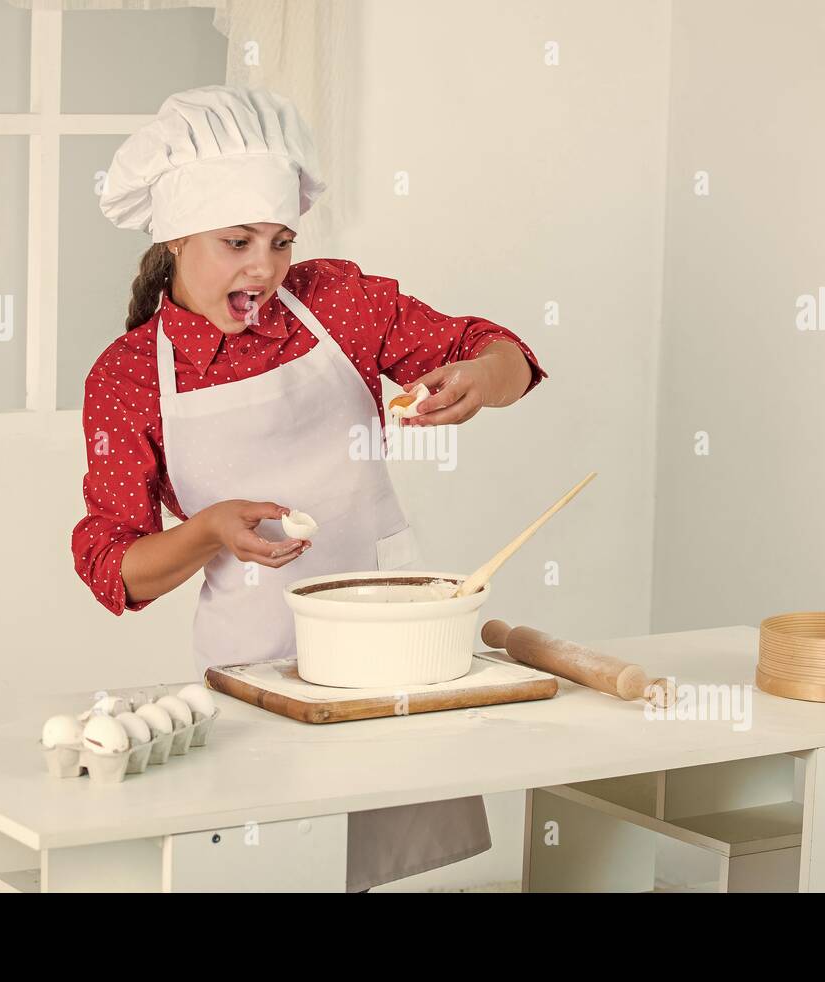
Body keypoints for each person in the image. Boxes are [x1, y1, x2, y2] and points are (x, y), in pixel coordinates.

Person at [72, 85, 548, 892]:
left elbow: (490, 348)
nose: (264, 267)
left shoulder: (338, 302)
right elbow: (115, 567)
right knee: (273, 868)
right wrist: (209, 530)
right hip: (254, 672)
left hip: (390, 649)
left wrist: (483, 377)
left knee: (367, 871)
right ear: (177, 240)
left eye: (280, 240)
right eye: (236, 241)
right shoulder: (126, 378)